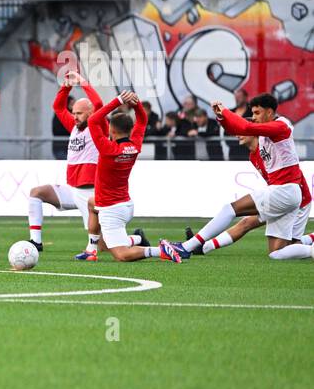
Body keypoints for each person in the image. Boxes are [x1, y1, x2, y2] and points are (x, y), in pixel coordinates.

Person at [176, 95, 313, 260]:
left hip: (289, 192)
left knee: (231, 209)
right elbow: (239, 128)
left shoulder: (281, 125)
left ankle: (187, 247)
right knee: (276, 253)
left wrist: (225, 111)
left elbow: (245, 126)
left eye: (257, 112)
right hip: (286, 193)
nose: (254, 117)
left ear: (269, 112)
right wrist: (221, 118)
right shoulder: (258, 146)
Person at [88, 90, 185, 262]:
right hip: (126, 205)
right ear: (130, 129)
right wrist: (136, 103)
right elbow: (143, 119)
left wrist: (118, 100)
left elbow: (93, 120)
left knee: (121, 255)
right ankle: (134, 239)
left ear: (111, 129)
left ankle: (159, 250)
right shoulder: (135, 146)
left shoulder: (108, 149)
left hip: (111, 209)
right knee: (91, 203)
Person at [27, 71, 103, 258]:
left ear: (91, 113)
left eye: (79, 113)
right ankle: (36, 241)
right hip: (73, 189)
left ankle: (136, 239)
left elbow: (99, 104)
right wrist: (66, 85)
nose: (75, 117)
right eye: (74, 113)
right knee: (36, 193)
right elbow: (58, 106)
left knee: (104, 246)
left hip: (90, 193)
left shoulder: (96, 125)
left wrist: (82, 82)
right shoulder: (75, 127)